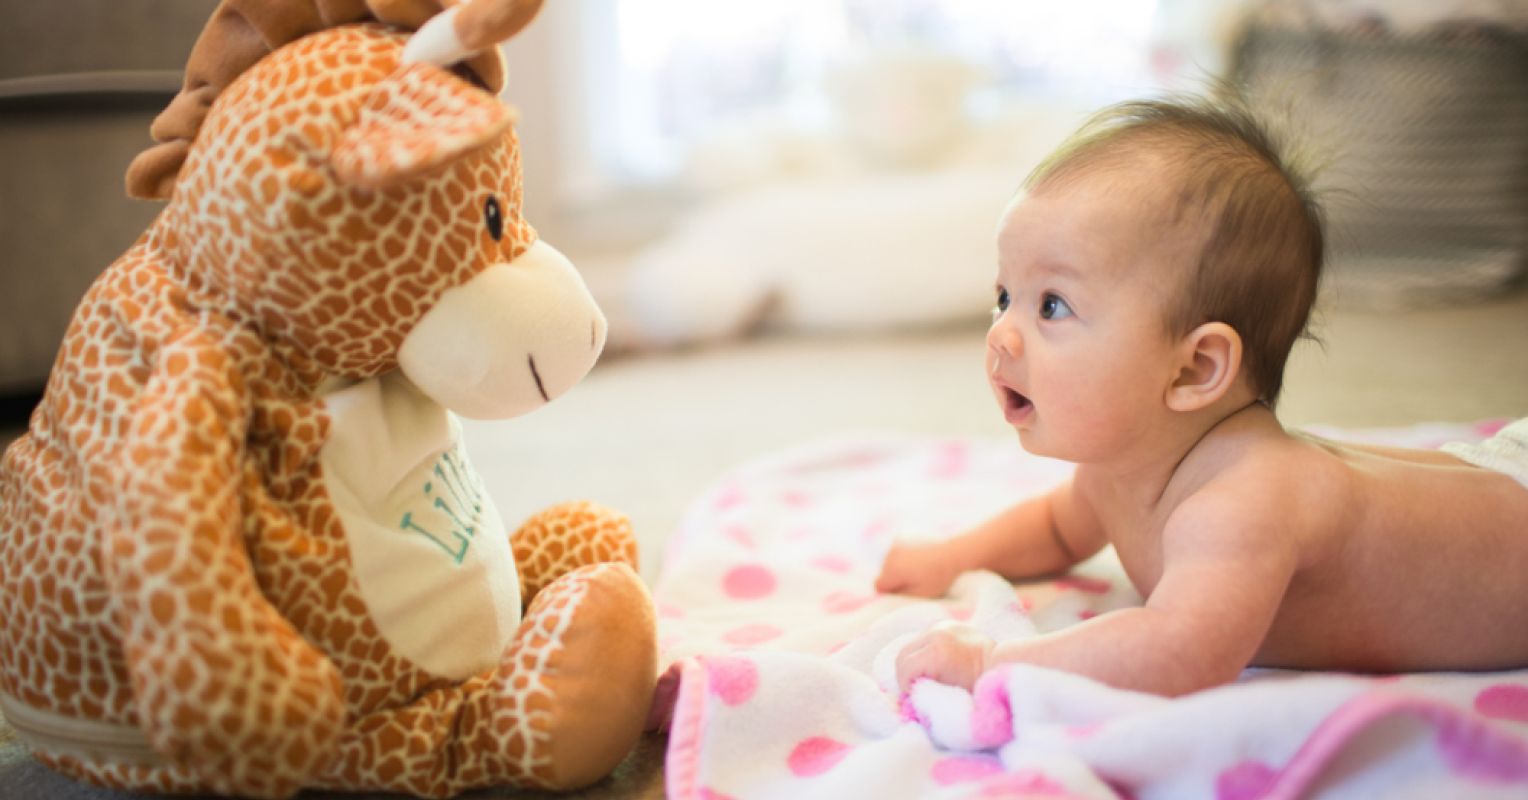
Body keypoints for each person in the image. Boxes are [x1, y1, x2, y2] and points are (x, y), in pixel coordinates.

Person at [874, 95, 1528, 698]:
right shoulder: (1117, 471)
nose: (1001, 334)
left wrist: (990, 664)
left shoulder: (1242, 503)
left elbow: (1177, 652)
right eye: (1004, 297)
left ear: (1193, 370)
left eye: (1052, 305)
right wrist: (950, 558)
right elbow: (1053, 529)